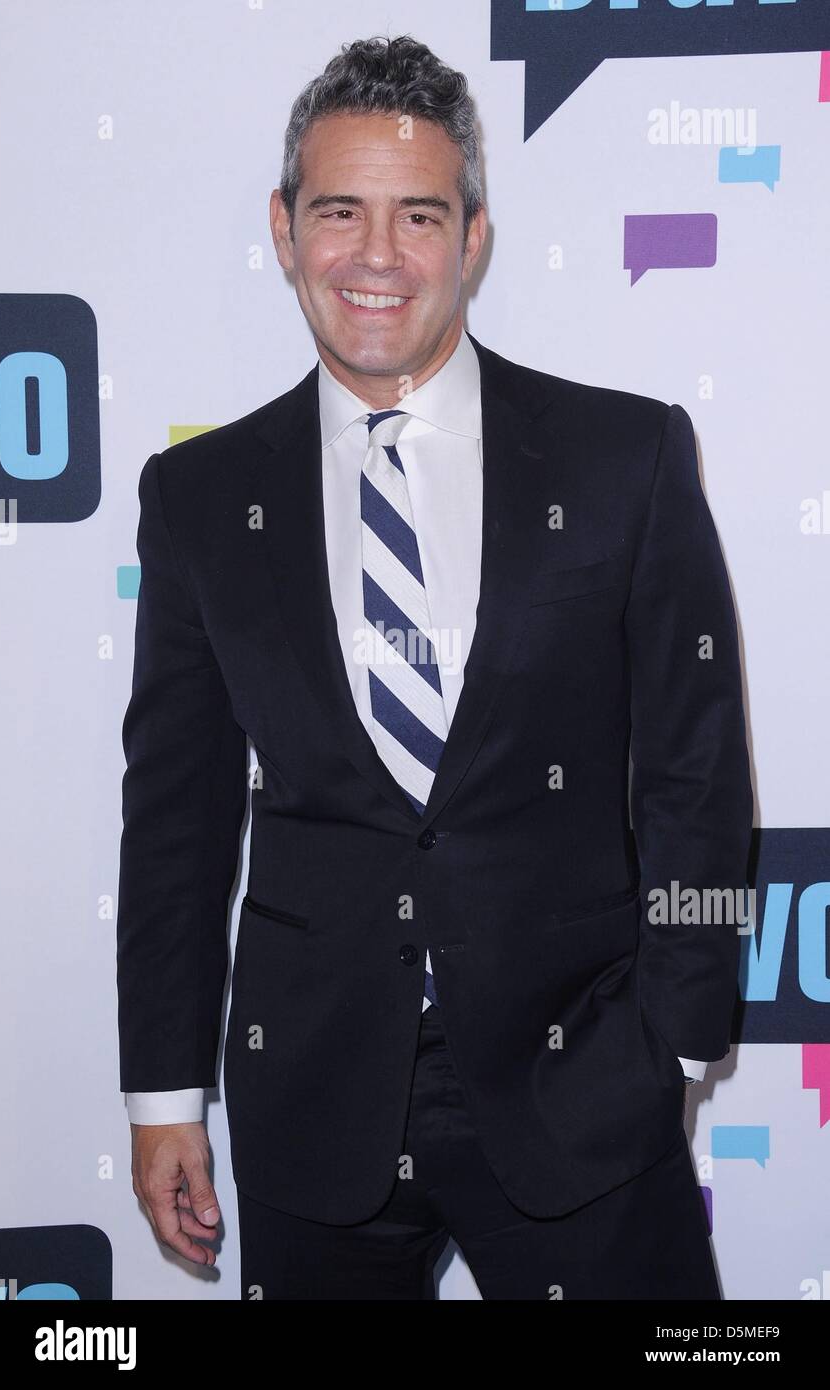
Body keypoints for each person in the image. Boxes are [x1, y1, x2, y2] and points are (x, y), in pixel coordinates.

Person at [116, 34, 753, 1300]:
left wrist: (676, 1043)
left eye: (417, 215)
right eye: (339, 210)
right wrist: (162, 1094)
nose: (376, 256)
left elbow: (697, 778)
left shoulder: (621, 459)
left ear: (471, 238)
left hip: (582, 1087)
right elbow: (175, 827)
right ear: (285, 229)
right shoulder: (199, 498)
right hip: (311, 1092)